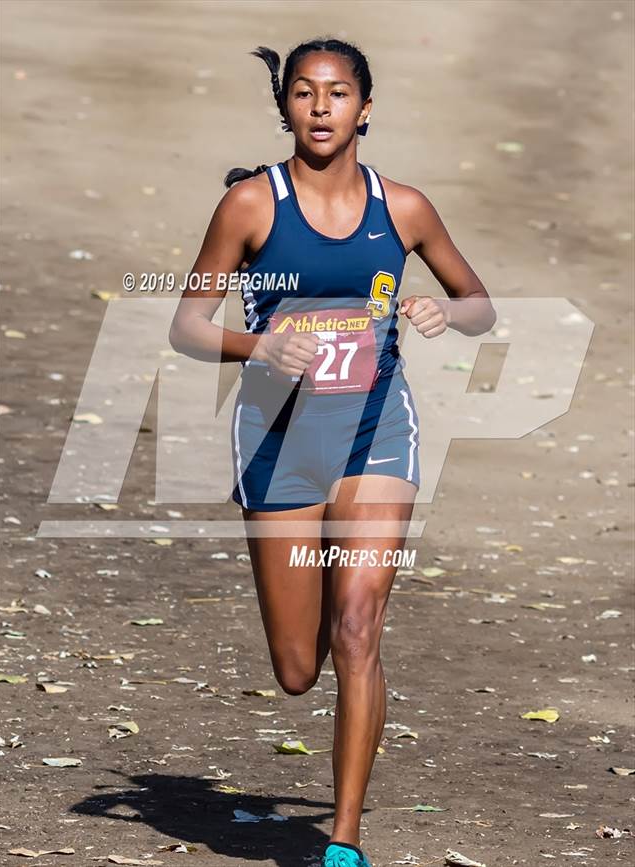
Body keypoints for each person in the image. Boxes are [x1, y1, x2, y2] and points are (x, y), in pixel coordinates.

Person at [169, 37, 496, 867]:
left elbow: (478, 304)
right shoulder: (250, 205)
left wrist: (439, 315)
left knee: (358, 631)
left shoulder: (406, 207)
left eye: (338, 92)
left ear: (366, 108)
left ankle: (342, 840)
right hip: (278, 442)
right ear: (285, 106)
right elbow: (187, 324)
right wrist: (258, 349)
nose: (321, 106)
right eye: (305, 92)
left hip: (374, 433)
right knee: (295, 668)